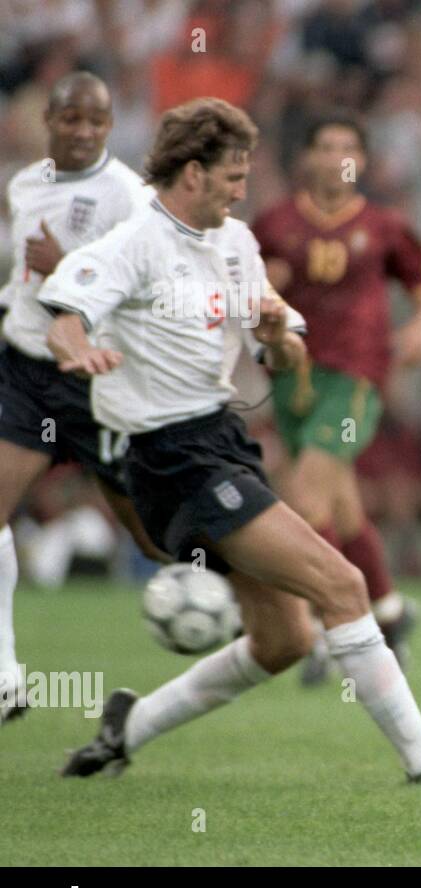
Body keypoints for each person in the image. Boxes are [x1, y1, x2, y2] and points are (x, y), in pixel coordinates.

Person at [42, 97, 421, 782]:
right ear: (192, 173)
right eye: (232, 177)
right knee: (342, 583)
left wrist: (277, 341)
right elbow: (64, 318)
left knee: (284, 639)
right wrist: (79, 347)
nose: (243, 190)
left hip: (222, 441)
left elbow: (286, 349)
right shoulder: (131, 243)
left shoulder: (234, 243)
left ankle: (126, 727)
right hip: (172, 458)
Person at [252, 116, 421, 680]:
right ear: (307, 158)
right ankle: (388, 609)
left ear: (361, 162)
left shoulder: (383, 225)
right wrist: (267, 281)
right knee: (340, 506)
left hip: (357, 374)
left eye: (349, 148)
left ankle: (330, 627)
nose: (338, 156)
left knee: (305, 494)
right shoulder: (276, 223)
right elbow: (248, 280)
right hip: (292, 375)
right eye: (327, 145)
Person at [0, 72, 165, 726]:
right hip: (24, 370)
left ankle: (243, 605)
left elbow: (142, 293)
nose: (83, 131)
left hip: (94, 381)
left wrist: (62, 261)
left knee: (151, 536)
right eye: (71, 119)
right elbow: (22, 279)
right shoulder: (22, 183)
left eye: (95, 121)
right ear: (49, 118)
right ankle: (6, 673)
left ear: (109, 124)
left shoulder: (130, 197)